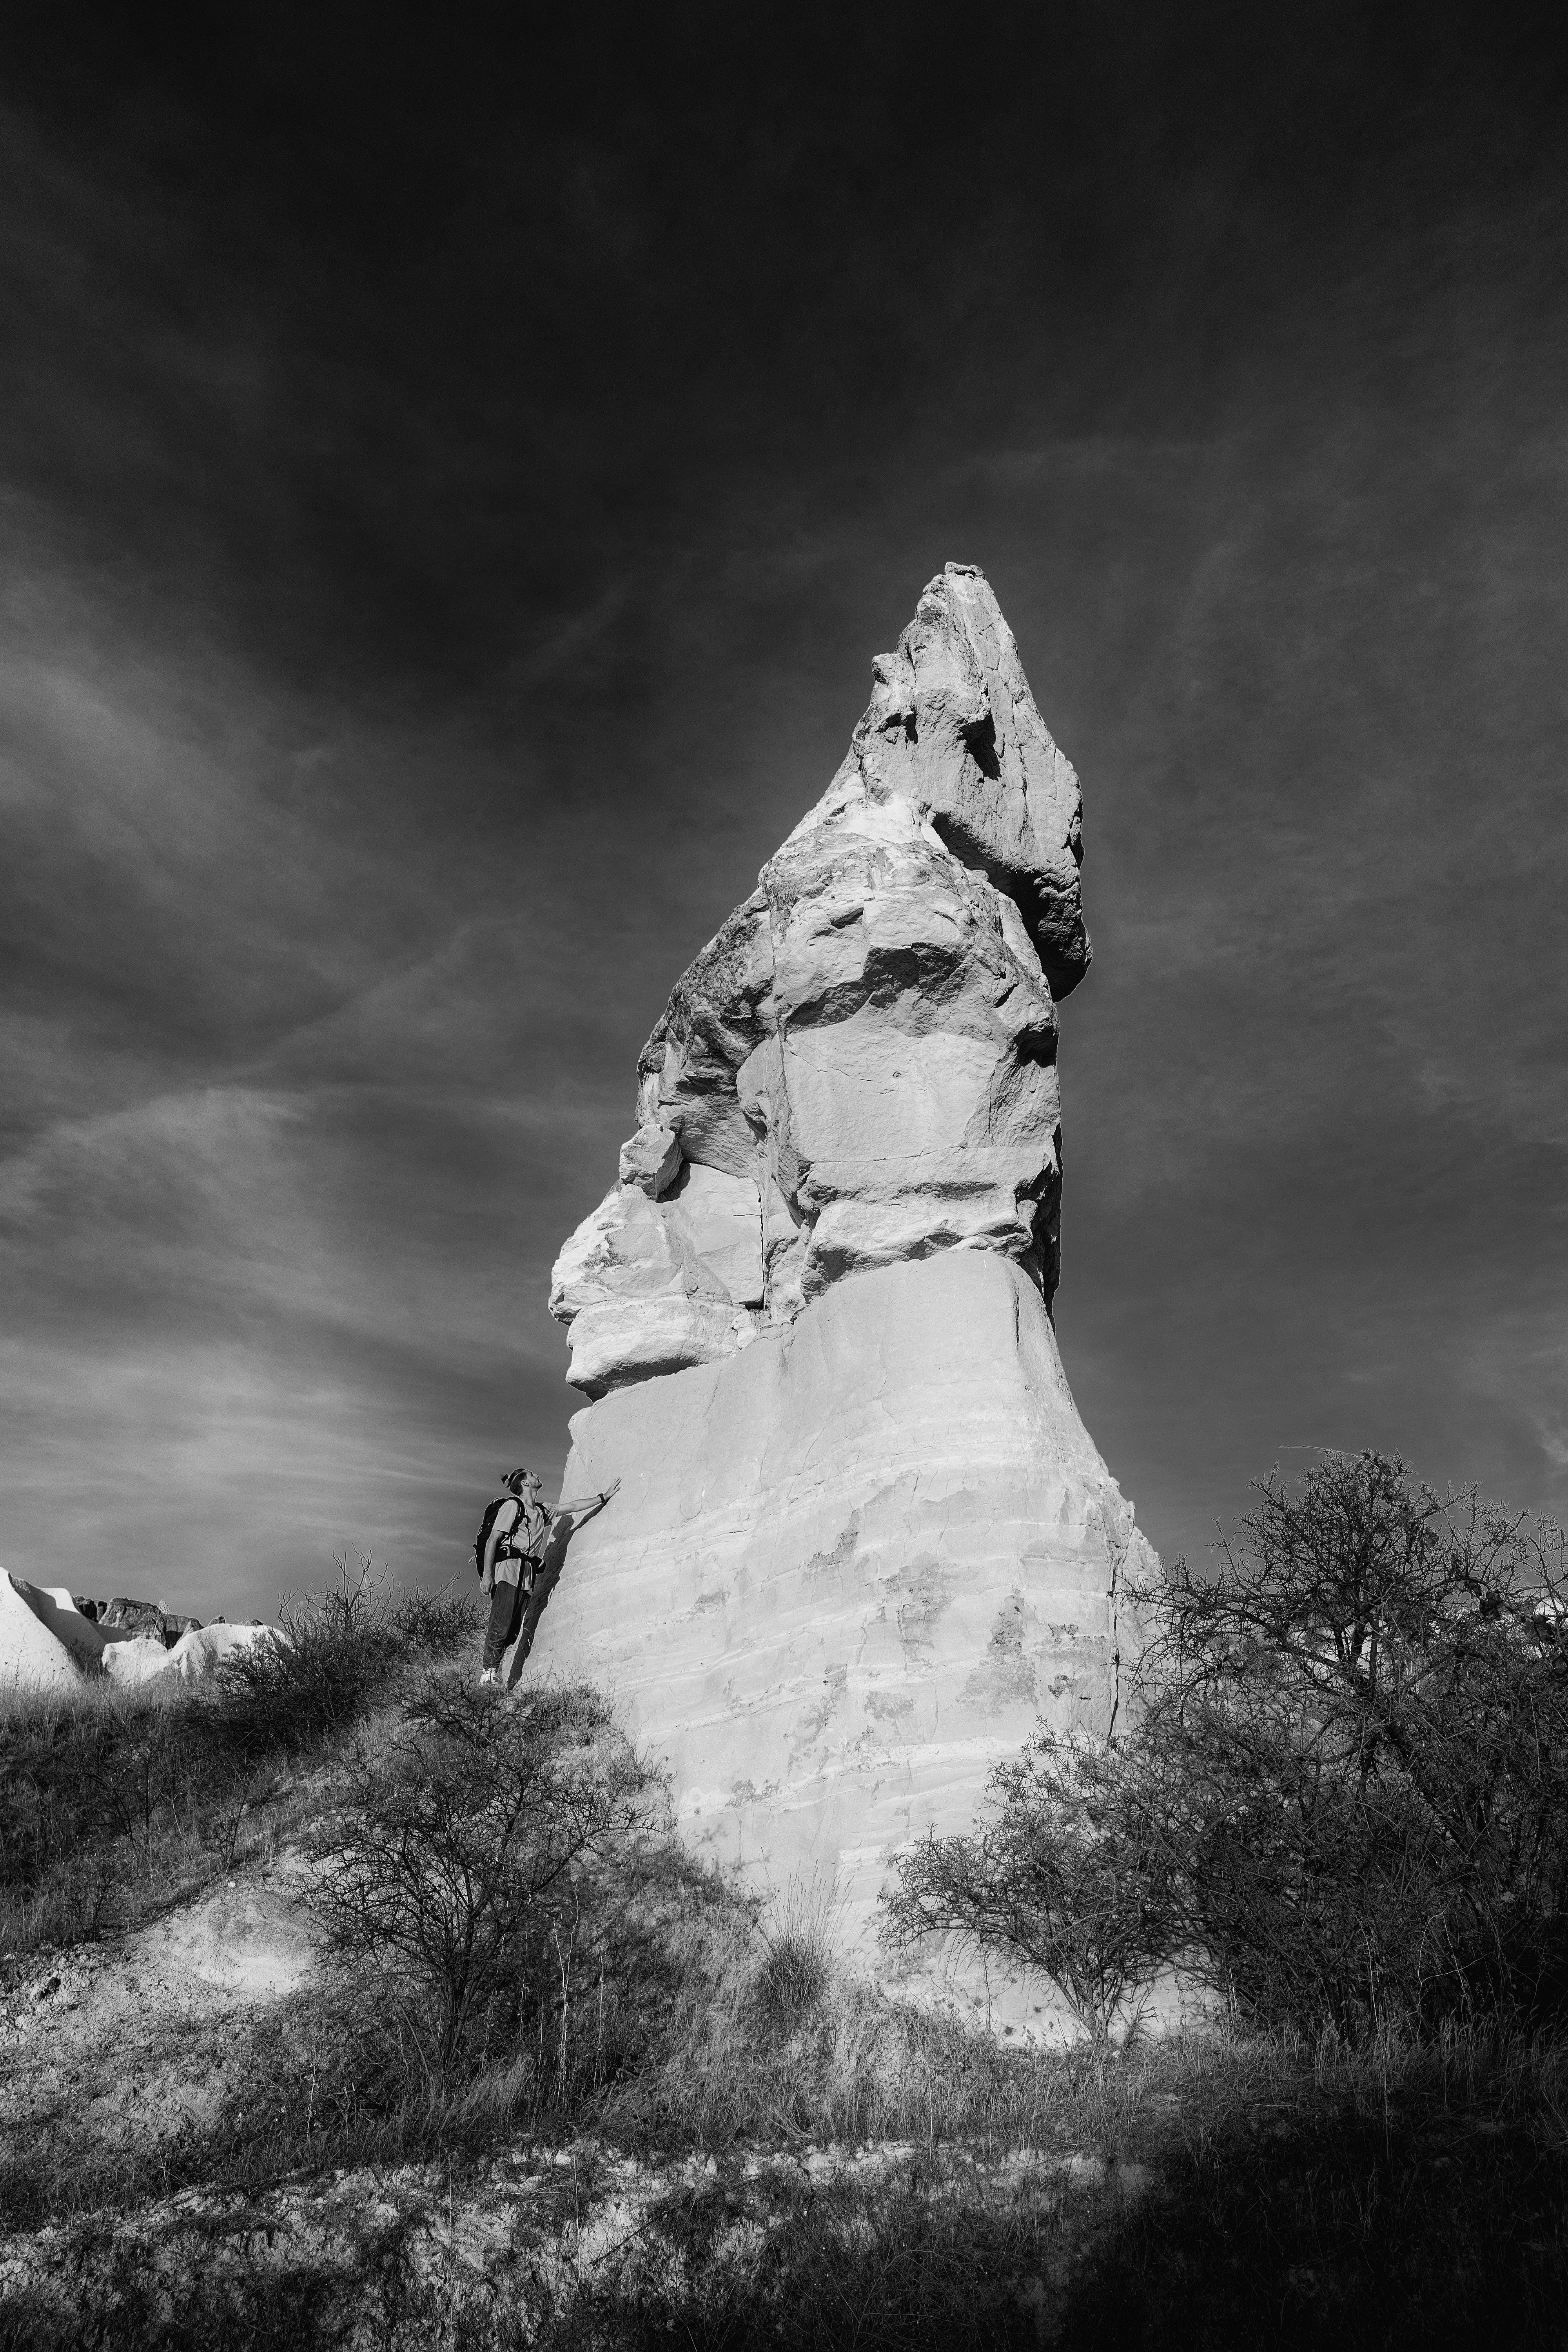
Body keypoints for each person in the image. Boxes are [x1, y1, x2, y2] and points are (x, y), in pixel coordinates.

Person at [478, 1466, 619, 1685]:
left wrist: (603, 1497)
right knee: (501, 1622)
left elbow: (573, 1507)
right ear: (525, 1483)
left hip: (526, 1575)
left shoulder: (543, 1510)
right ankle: (488, 1674)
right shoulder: (513, 1506)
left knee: (513, 1630)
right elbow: (493, 1540)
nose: (538, 1476)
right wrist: (487, 1576)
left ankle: (495, 1670)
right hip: (508, 1569)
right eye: (532, 1475)